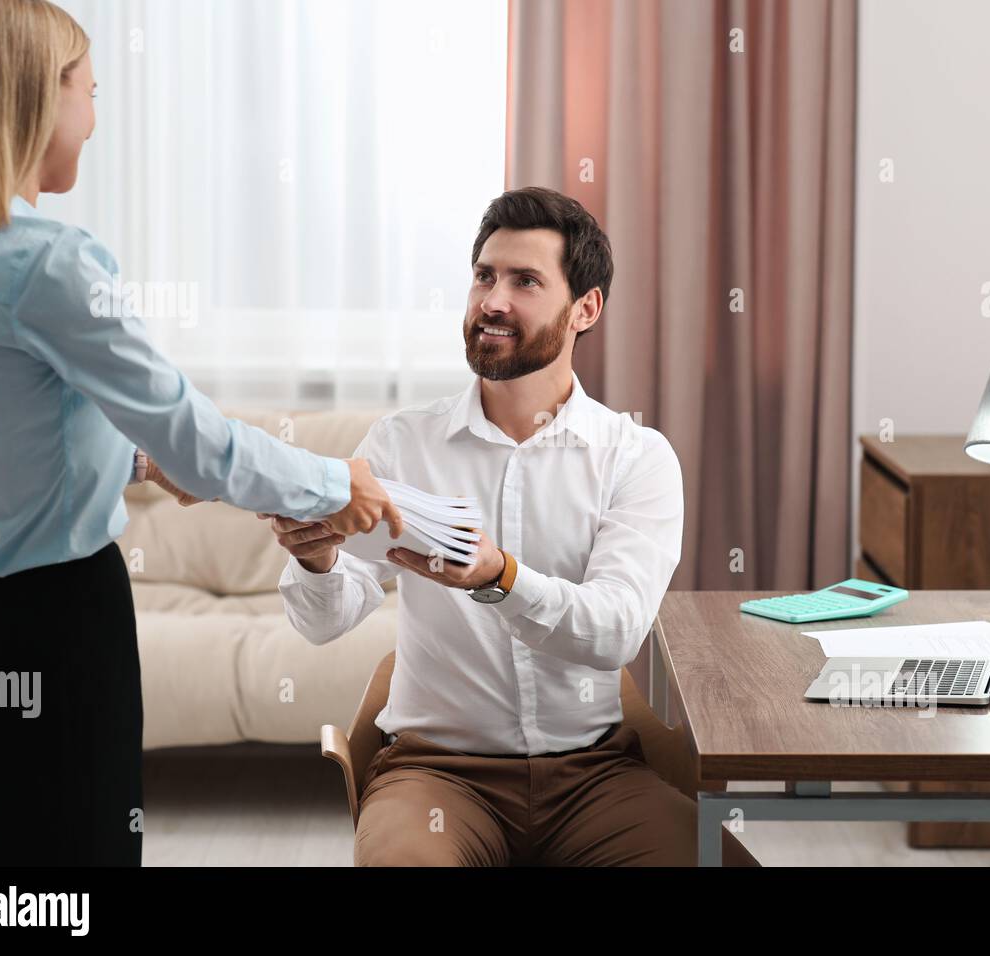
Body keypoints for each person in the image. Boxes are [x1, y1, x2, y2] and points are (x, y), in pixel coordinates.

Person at [0, 0, 401, 866]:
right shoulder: (49, 264)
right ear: (39, 101)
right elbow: (203, 441)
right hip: (62, 621)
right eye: (90, 90)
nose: (97, 117)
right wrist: (342, 484)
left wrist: (139, 458)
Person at [271, 186, 759, 866]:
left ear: (585, 308)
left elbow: (614, 628)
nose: (492, 301)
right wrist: (317, 561)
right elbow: (323, 621)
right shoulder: (402, 443)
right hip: (437, 775)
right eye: (484, 277)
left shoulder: (635, 457)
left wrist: (500, 578)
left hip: (595, 776)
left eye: (525, 281)